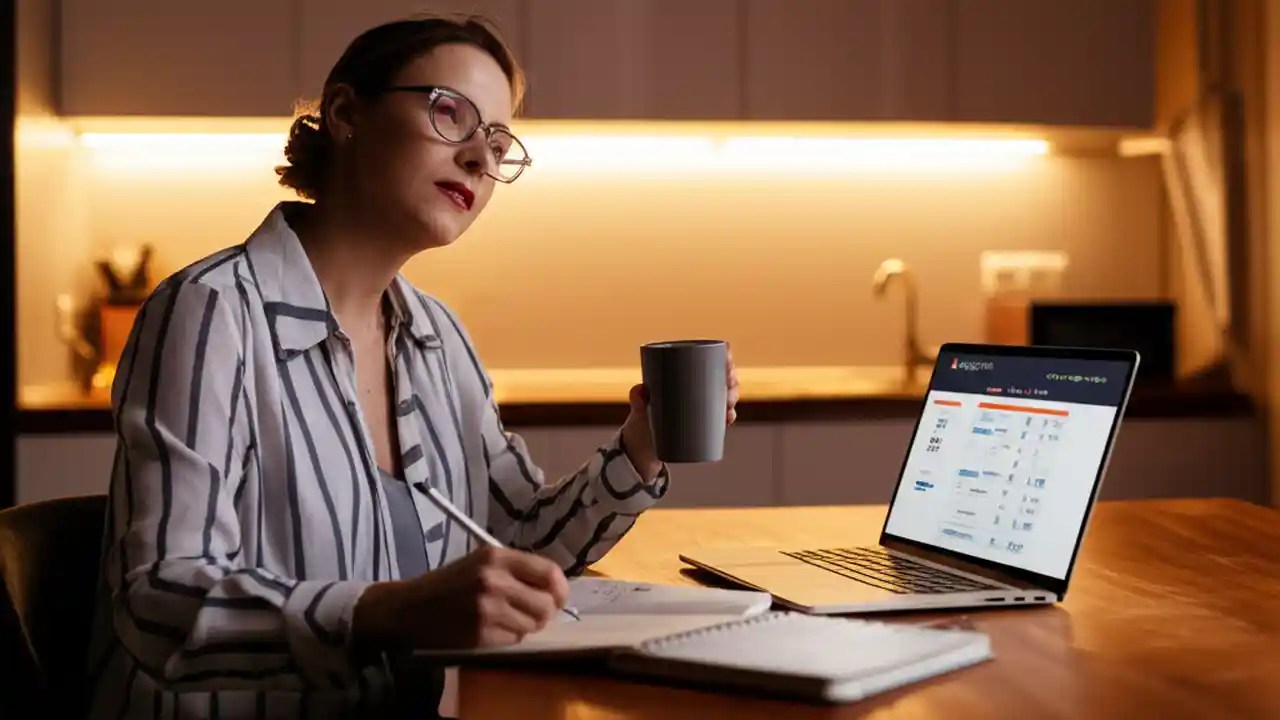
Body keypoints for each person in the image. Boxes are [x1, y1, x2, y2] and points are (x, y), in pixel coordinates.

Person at [84, 15, 740, 719]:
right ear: (344, 113)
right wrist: (390, 612)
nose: (479, 161)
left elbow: (521, 538)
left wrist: (640, 449)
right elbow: (162, 603)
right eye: (449, 114)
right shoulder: (212, 313)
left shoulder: (435, 334)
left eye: (496, 144)